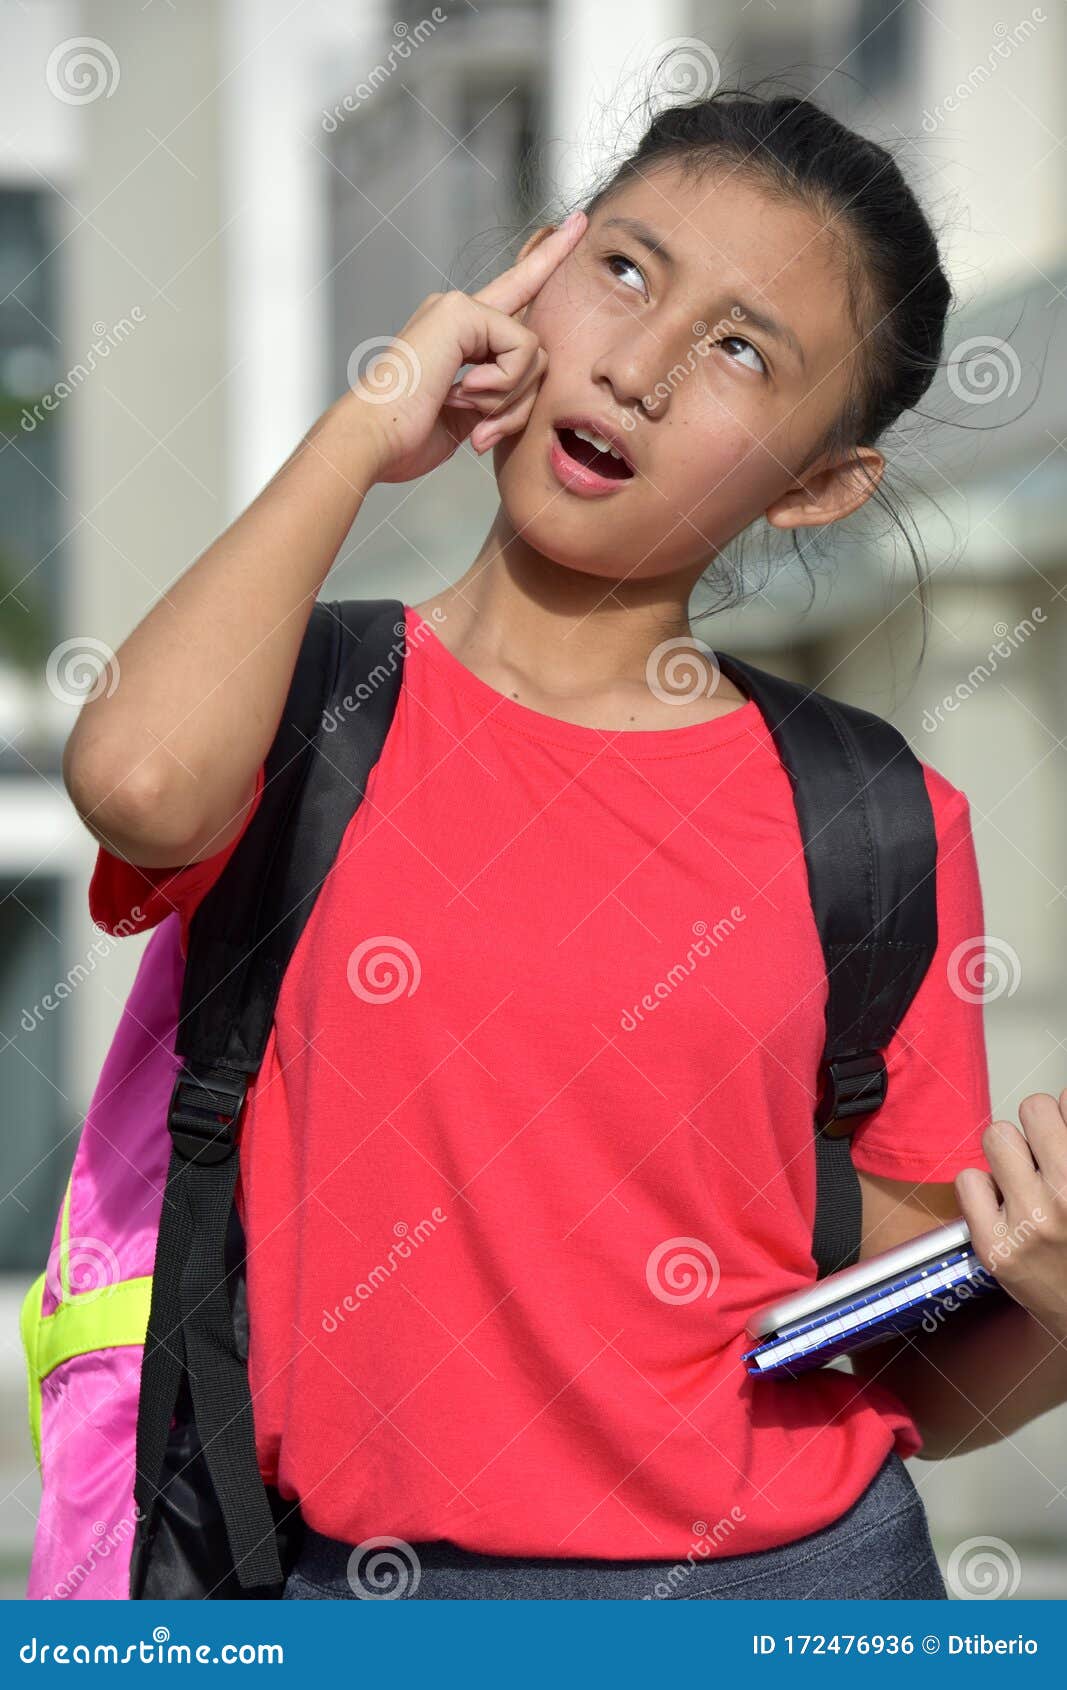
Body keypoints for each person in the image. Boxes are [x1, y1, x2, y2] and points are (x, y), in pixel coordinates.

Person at [65, 87, 1067, 1601]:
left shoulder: (875, 820)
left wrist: (1054, 1307)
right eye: (625, 271)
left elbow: (902, 1382)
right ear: (536, 269)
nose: (640, 367)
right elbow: (138, 782)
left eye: (742, 349)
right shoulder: (307, 705)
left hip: (787, 1599)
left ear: (817, 486)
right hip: (348, 1598)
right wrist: (371, 421)